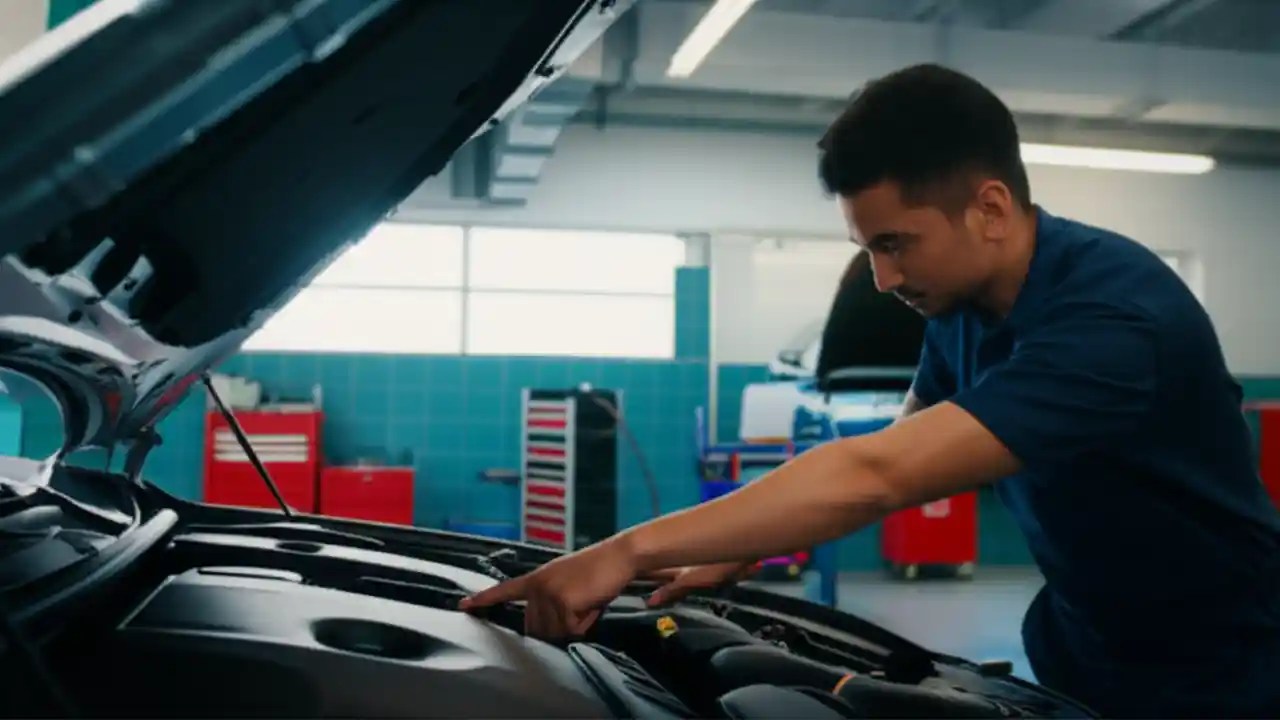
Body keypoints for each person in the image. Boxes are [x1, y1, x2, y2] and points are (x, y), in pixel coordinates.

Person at [461, 63, 1280, 717]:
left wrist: (625, 549)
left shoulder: (1114, 319)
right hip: (1086, 642)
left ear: (989, 208)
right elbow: (898, 444)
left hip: (1224, 669)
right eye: (868, 248)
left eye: (896, 245)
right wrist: (751, 537)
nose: (883, 279)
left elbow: (876, 477)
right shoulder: (963, 304)